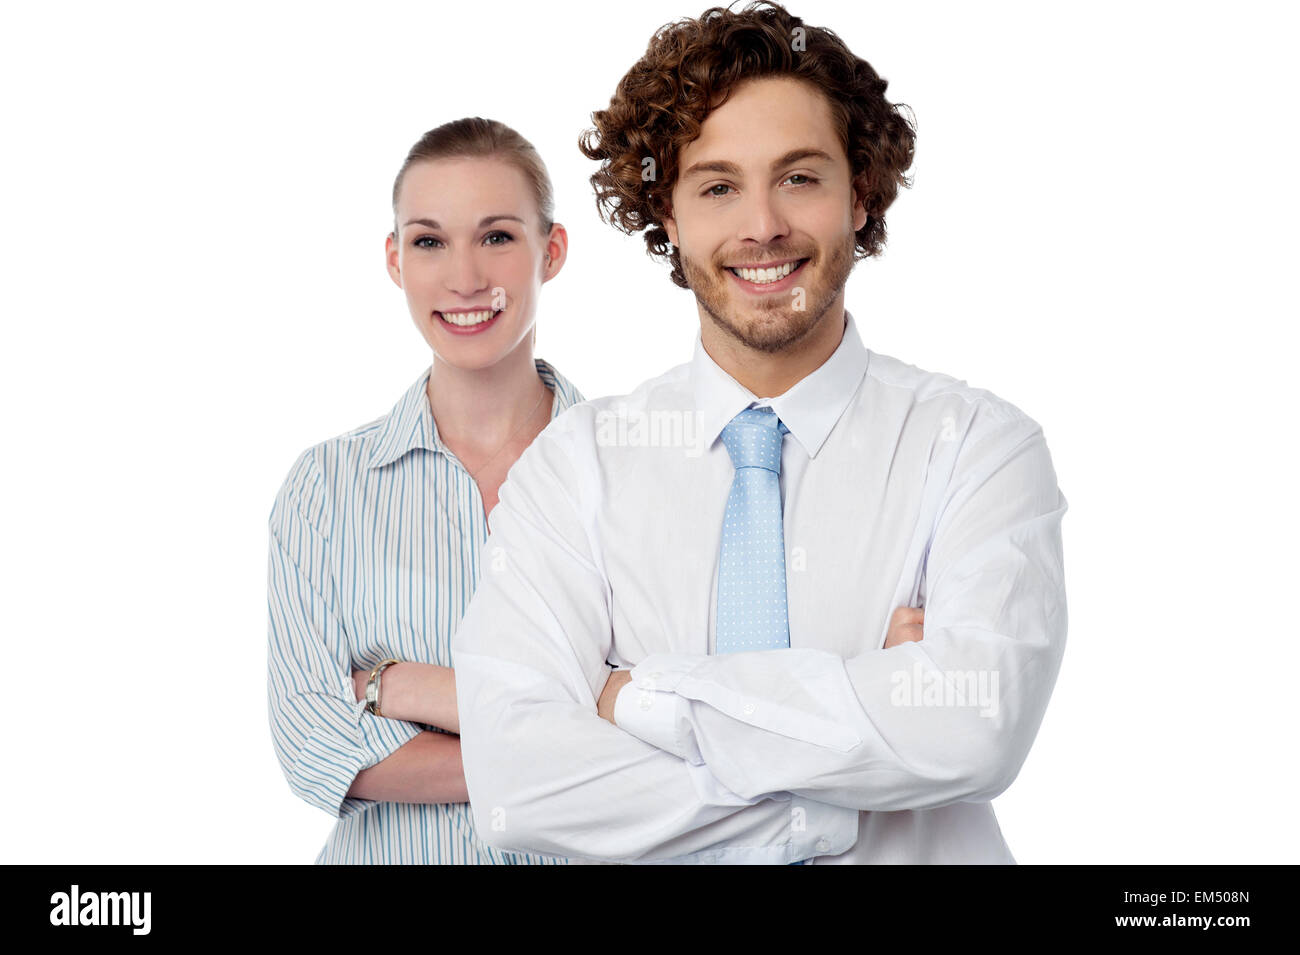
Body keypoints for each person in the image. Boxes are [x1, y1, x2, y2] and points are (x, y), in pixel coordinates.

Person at [452, 1, 1068, 864]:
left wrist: (638, 697)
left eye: (800, 177)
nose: (763, 226)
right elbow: (520, 784)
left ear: (860, 195)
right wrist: (849, 752)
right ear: (667, 214)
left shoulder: (976, 448)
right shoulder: (574, 467)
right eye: (717, 186)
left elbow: (975, 726)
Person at [266, 118, 584, 864]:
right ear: (395, 258)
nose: (465, 277)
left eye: (498, 236)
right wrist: (560, 744)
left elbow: (663, 720)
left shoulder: (634, 474)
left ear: (553, 250)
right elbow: (313, 743)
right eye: (430, 241)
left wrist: (393, 686)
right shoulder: (324, 490)